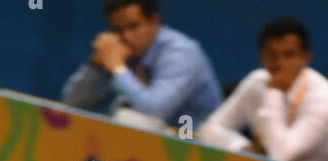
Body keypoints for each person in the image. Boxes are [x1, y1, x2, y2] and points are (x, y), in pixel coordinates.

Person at [198, 15, 328, 161]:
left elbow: (281, 158)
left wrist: (274, 91)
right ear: (261, 57)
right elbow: (209, 129)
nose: (280, 63)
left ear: (305, 58)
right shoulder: (256, 81)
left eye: (289, 55)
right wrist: (243, 149)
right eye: (272, 55)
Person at [61, 0, 222, 132]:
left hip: (197, 148)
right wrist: (95, 64)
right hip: (150, 150)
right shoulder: (123, 52)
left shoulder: (182, 52)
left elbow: (155, 110)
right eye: (118, 29)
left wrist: (117, 67)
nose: (126, 36)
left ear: (154, 21)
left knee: (128, 119)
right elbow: (72, 103)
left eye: (133, 26)